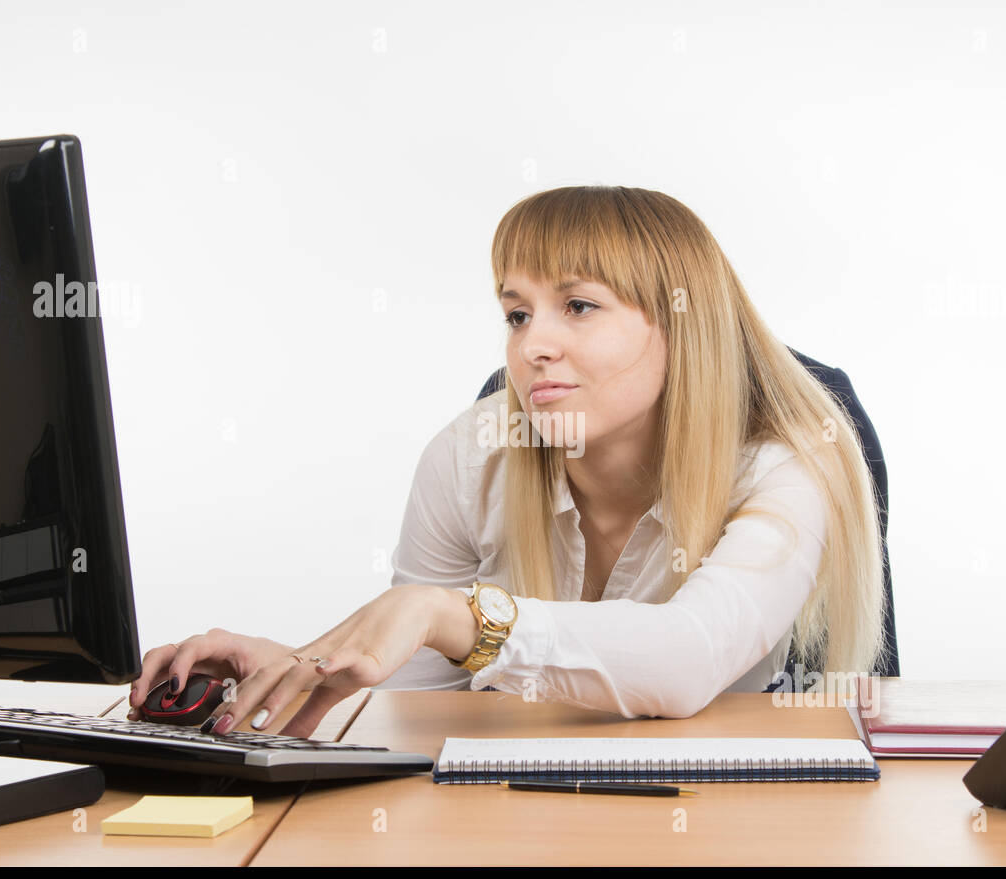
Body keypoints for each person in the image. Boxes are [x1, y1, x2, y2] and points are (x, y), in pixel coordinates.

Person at [127, 185, 886, 737]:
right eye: (517, 313)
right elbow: (423, 697)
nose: (532, 345)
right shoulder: (471, 453)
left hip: (734, 820)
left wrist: (452, 613)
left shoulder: (783, 464)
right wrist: (294, 670)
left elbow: (686, 661)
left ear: (685, 326)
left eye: (578, 306)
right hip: (526, 816)